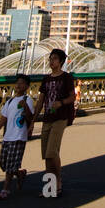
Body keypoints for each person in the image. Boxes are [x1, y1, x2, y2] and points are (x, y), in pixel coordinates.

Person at [33, 48, 76, 197]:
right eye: (50, 59)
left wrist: (61, 103)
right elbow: (40, 101)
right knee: (46, 154)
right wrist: (33, 120)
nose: (52, 61)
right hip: (47, 119)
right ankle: (49, 187)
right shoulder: (46, 79)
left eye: (55, 59)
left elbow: (72, 97)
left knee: (52, 151)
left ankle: (58, 181)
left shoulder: (67, 78)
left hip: (61, 117)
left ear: (61, 62)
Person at [0, 74, 34, 200]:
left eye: (22, 83)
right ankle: (20, 173)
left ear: (27, 86)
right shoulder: (10, 102)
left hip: (19, 137)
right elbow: (2, 120)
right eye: (17, 82)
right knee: (3, 162)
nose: (18, 85)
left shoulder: (28, 100)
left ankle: (5, 189)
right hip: (7, 137)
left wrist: (26, 107)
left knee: (10, 165)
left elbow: (30, 118)